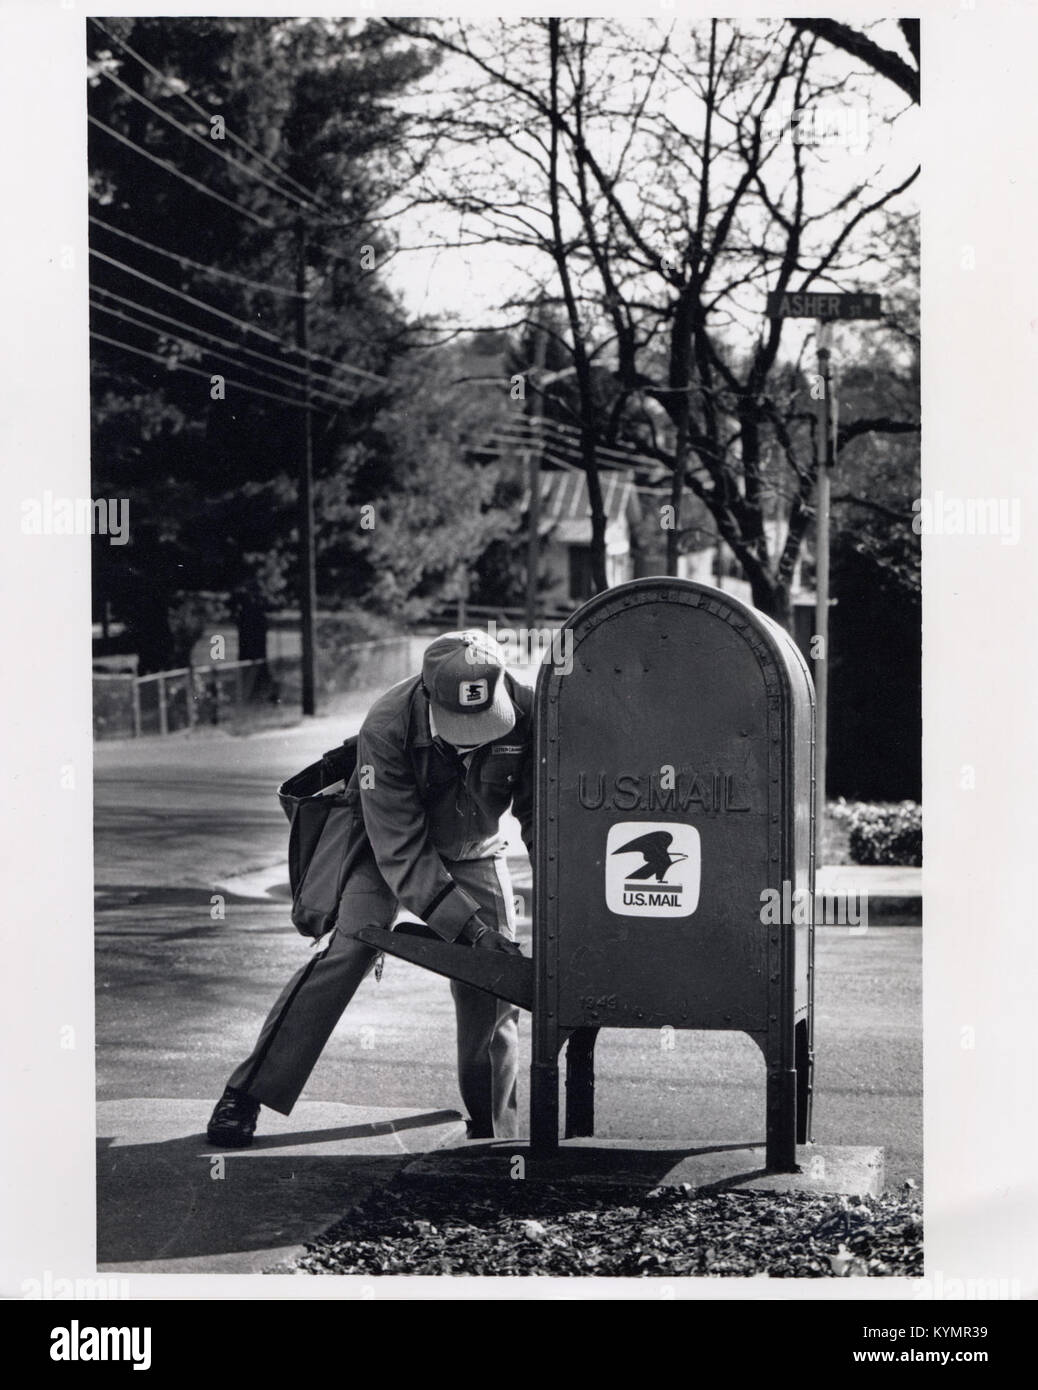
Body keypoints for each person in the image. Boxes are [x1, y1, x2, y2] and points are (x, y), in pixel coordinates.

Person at [206, 630, 531, 1148]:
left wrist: (553, 899)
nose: (472, 739)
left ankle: (491, 1134)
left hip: (476, 850)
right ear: (427, 695)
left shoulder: (526, 710)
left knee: (494, 978)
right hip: (382, 850)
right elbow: (401, 851)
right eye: (457, 728)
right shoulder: (385, 727)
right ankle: (246, 1093)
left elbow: (540, 815)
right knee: (350, 949)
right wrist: (467, 927)